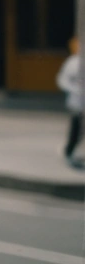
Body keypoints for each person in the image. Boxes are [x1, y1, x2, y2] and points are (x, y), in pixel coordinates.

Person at [60, 37, 82, 168]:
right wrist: (75, 89)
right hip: (77, 102)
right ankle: (69, 150)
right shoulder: (72, 62)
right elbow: (62, 80)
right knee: (76, 128)